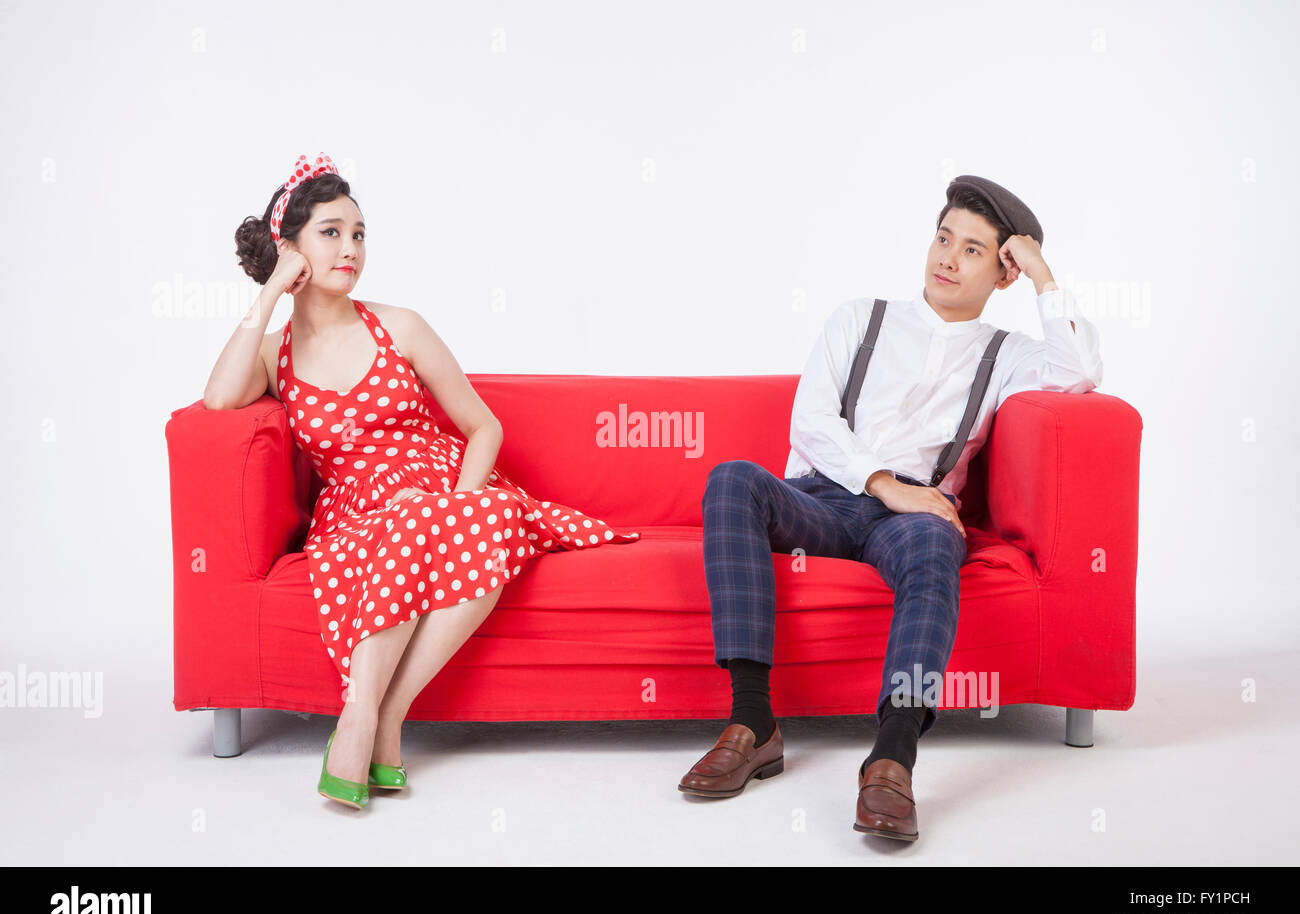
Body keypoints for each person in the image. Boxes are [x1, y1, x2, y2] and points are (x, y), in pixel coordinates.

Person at [205, 152, 641, 811]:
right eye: (330, 232)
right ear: (288, 246)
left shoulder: (399, 325)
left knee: (483, 517)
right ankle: (370, 723)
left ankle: (374, 717)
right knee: (414, 517)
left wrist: (457, 504)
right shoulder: (274, 352)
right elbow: (216, 402)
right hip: (357, 515)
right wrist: (270, 291)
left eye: (358, 233)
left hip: (446, 485)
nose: (350, 248)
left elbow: (484, 429)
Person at [677, 175, 1104, 842]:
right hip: (824, 499)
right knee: (731, 479)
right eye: (943, 239)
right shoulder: (859, 318)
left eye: (971, 250)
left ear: (1003, 273)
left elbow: (1080, 371)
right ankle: (752, 722)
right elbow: (813, 422)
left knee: (939, 539)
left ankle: (893, 757)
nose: (947, 258)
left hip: (912, 523)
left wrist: (1046, 277)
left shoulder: (1007, 355)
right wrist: (884, 483)